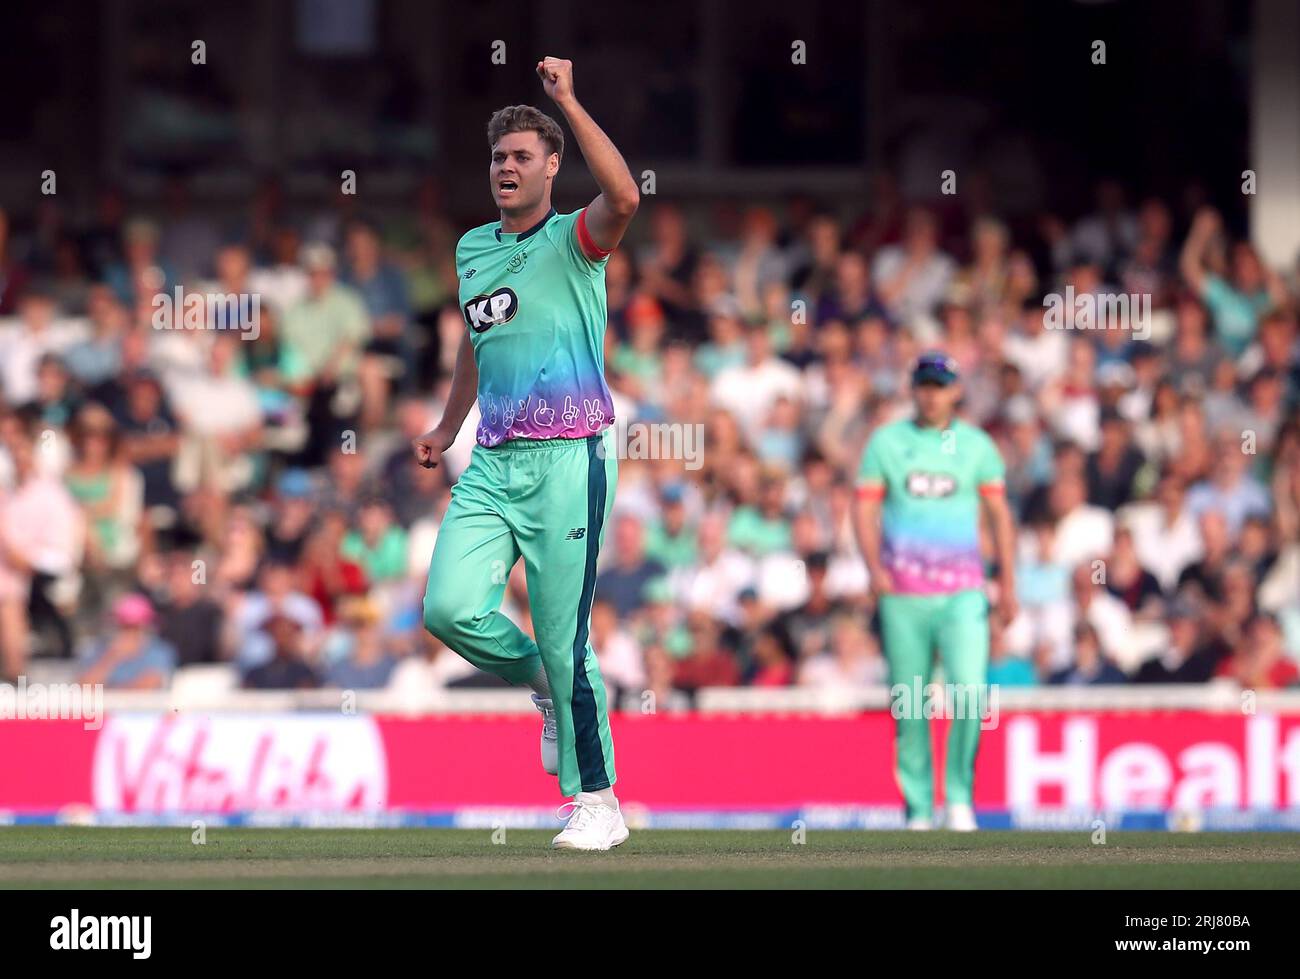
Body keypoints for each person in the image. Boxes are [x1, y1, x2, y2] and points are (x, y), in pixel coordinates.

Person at [412, 57, 639, 851]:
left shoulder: (576, 239)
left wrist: (569, 100)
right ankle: (538, 681)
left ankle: (599, 801)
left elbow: (626, 197)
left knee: (564, 636)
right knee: (447, 607)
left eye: (521, 158)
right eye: (497, 158)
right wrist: (447, 427)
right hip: (494, 461)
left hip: (567, 460)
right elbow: (480, 342)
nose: (505, 168)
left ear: (550, 167)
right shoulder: (473, 247)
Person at [853, 351, 1017, 832]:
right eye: (924, 384)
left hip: (964, 592)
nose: (931, 394)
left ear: (956, 390)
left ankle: (961, 798)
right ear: (913, 389)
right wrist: (873, 568)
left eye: (940, 385)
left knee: (969, 692)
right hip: (904, 593)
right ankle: (919, 809)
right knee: (909, 702)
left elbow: (999, 517)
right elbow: (863, 508)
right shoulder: (887, 442)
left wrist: (1008, 581)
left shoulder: (977, 446)